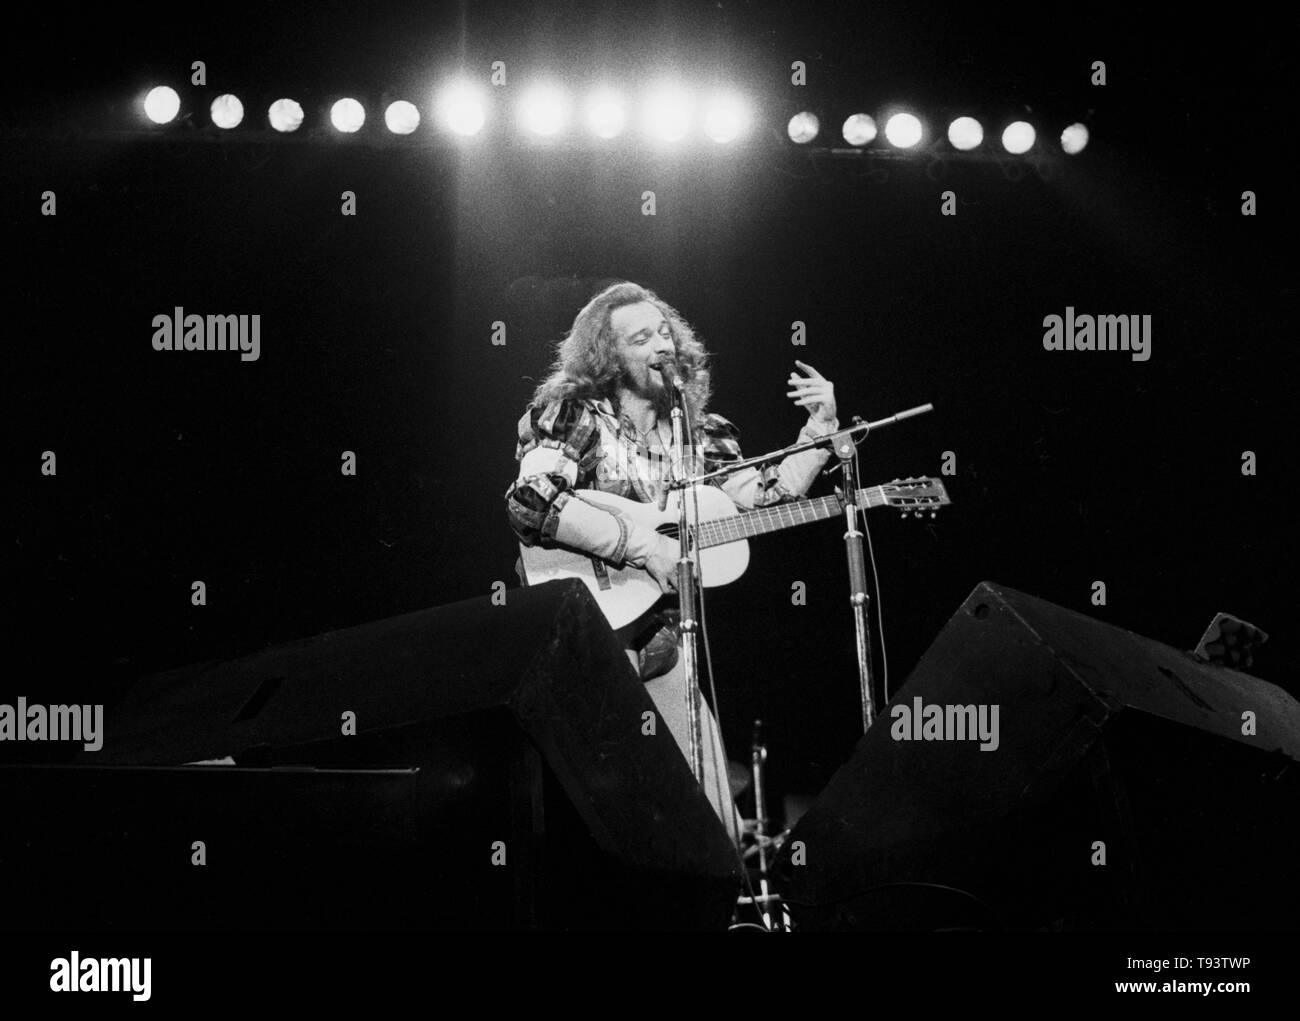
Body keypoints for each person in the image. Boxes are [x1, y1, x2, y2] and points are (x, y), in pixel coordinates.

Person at [505, 281, 839, 844]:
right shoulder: (575, 415)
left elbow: (767, 498)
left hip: (660, 635)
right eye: (642, 338)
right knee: (594, 810)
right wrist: (643, 547)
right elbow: (530, 502)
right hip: (581, 628)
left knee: (714, 813)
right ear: (607, 357)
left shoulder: (702, 432)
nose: (662, 345)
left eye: (665, 332)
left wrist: (821, 432)